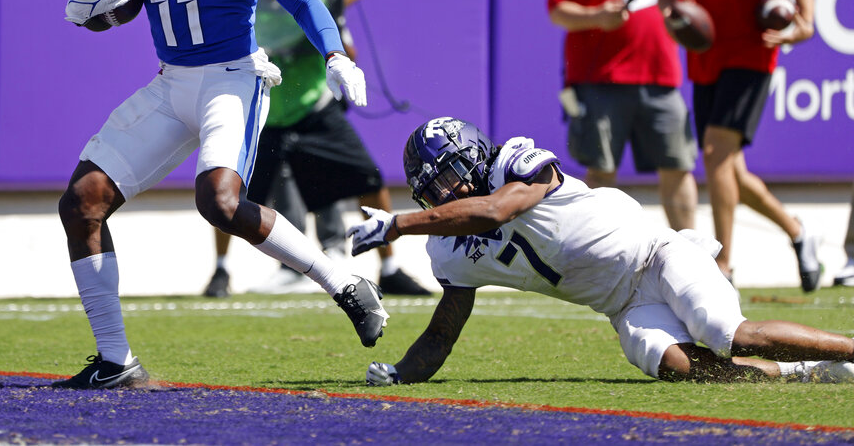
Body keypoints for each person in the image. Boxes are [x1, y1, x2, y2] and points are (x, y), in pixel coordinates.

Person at [52, 0, 388, 390]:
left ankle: (342, 281)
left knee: (220, 202)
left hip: (233, 75)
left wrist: (334, 52)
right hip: (171, 79)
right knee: (82, 201)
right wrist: (92, 14)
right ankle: (114, 360)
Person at [346, 117, 854, 385]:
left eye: (452, 178)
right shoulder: (447, 248)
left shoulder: (515, 162)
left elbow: (498, 211)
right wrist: (400, 373)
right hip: (623, 305)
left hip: (658, 256)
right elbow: (442, 332)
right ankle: (804, 371)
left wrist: (397, 224)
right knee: (682, 367)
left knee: (730, 334)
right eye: (434, 190)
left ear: (474, 155)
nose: (446, 195)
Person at [202, 0, 429, 297]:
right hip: (259, 69)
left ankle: (389, 266)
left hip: (308, 72)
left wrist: (315, 26)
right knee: (227, 181)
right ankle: (221, 270)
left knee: (363, 174)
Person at [654, 0, 820, 291]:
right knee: (731, 170)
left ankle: (724, 265)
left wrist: (805, 23)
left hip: (752, 54)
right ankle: (799, 232)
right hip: (705, 57)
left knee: (714, 153)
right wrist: (670, 11)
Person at [547, 0, 698, 232]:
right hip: (602, 79)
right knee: (599, 176)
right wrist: (599, 15)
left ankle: (693, 256)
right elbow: (557, 10)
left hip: (661, 75)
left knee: (678, 167)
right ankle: (598, 260)